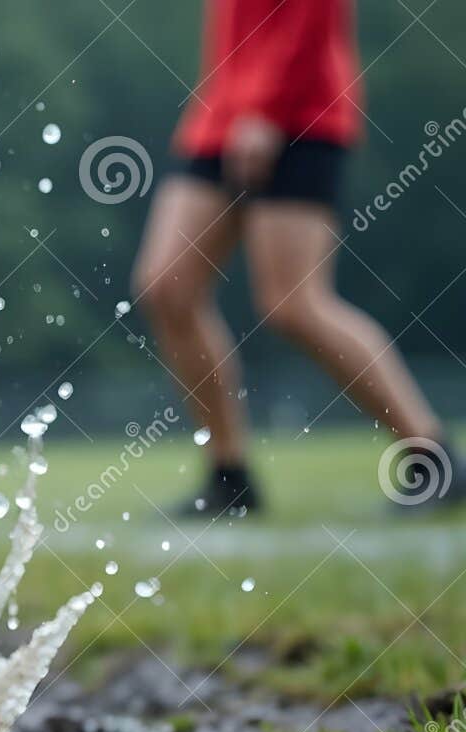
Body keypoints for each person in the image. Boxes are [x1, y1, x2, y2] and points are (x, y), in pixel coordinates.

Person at [133, 0, 461, 516]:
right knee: (166, 285)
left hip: (300, 113)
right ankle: (230, 479)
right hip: (219, 114)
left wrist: (267, 108)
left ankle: (433, 459)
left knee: (292, 304)